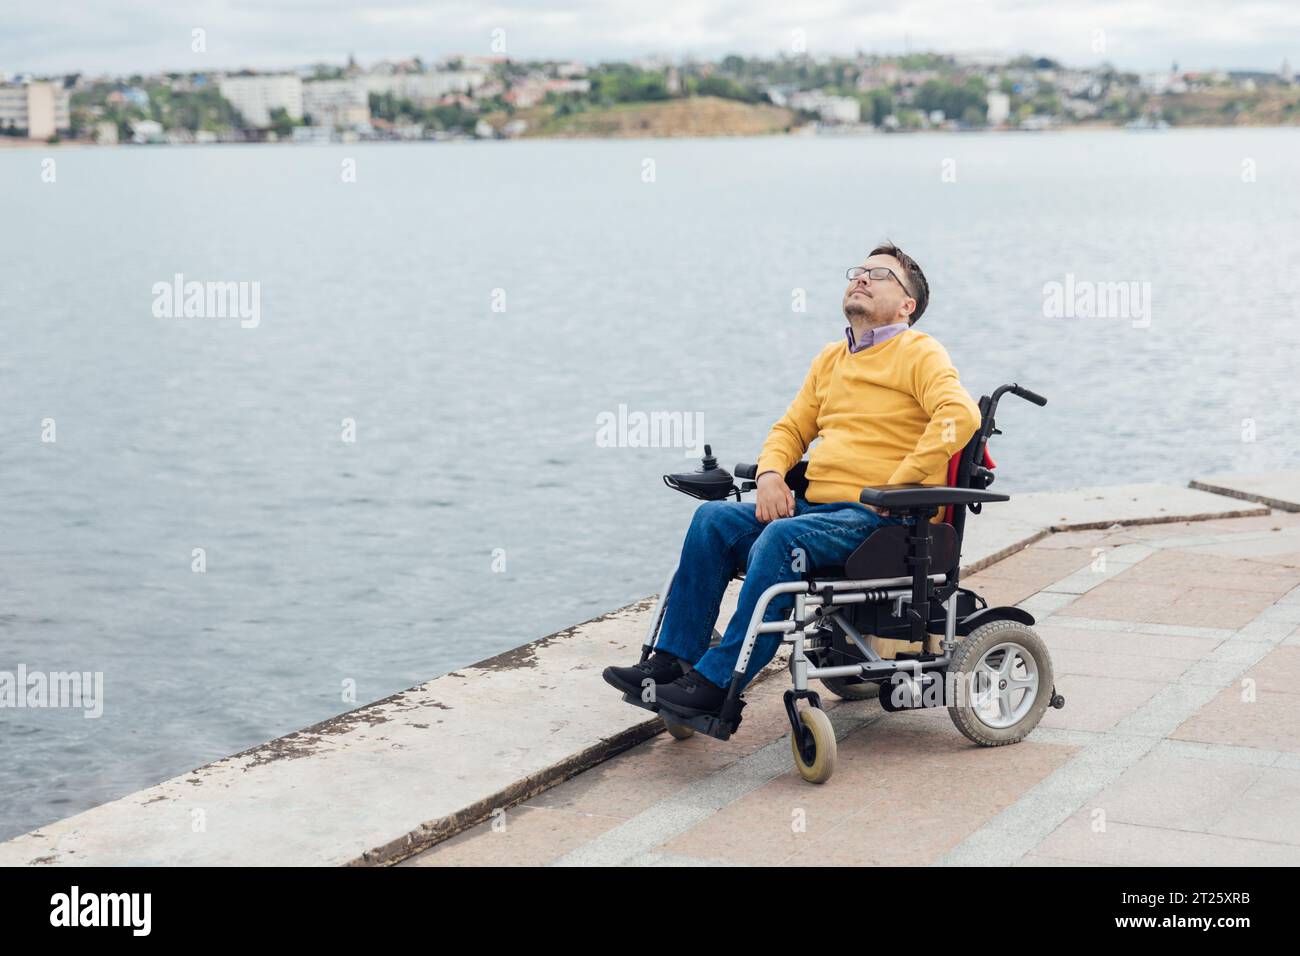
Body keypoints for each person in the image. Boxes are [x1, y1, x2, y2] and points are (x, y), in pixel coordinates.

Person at [604, 242, 981, 719]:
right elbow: (791, 429)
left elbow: (959, 414)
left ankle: (720, 683)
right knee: (712, 519)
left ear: (908, 305)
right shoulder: (830, 359)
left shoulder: (918, 351)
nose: (861, 278)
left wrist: (898, 481)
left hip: (876, 520)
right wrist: (769, 476)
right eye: (858, 271)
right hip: (817, 512)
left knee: (783, 536)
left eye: (879, 275)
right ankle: (674, 659)